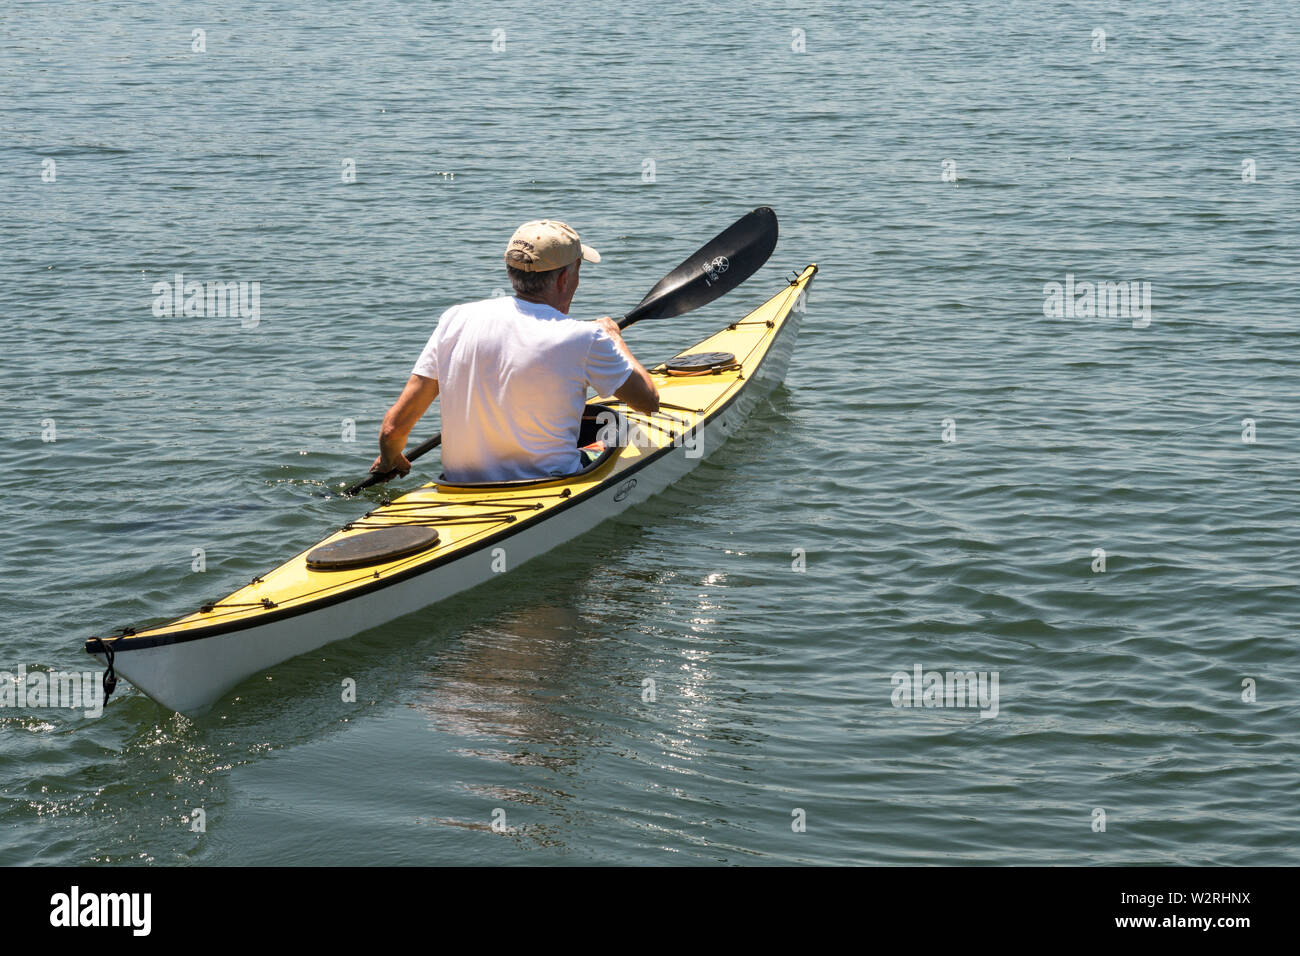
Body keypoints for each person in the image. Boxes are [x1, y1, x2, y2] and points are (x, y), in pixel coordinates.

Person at [370, 219, 660, 484]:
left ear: (511, 271)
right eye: (578, 270)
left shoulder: (455, 319)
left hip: (459, 484)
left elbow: (392, 430)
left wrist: (390, 459)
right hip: (548, 483)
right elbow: (648, 402)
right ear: (563, 279)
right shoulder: (586, 336)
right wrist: (614, 338)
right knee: (615, 431)